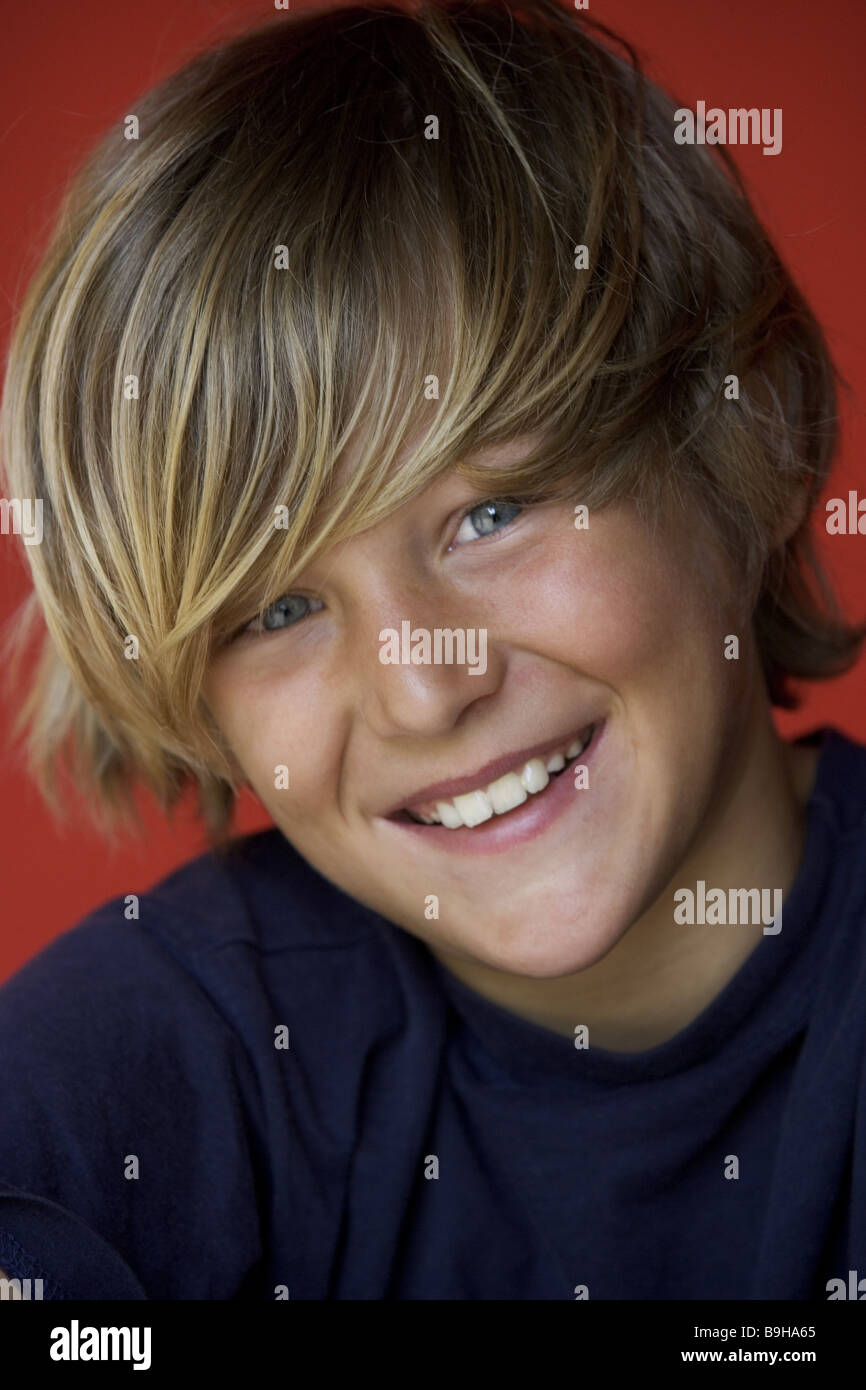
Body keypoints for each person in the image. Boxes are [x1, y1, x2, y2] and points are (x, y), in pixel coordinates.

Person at [1, 0, 864, 1300]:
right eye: (276, 609)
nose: (419, 686)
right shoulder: (154, 1054)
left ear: (745, 435)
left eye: (491, 513)